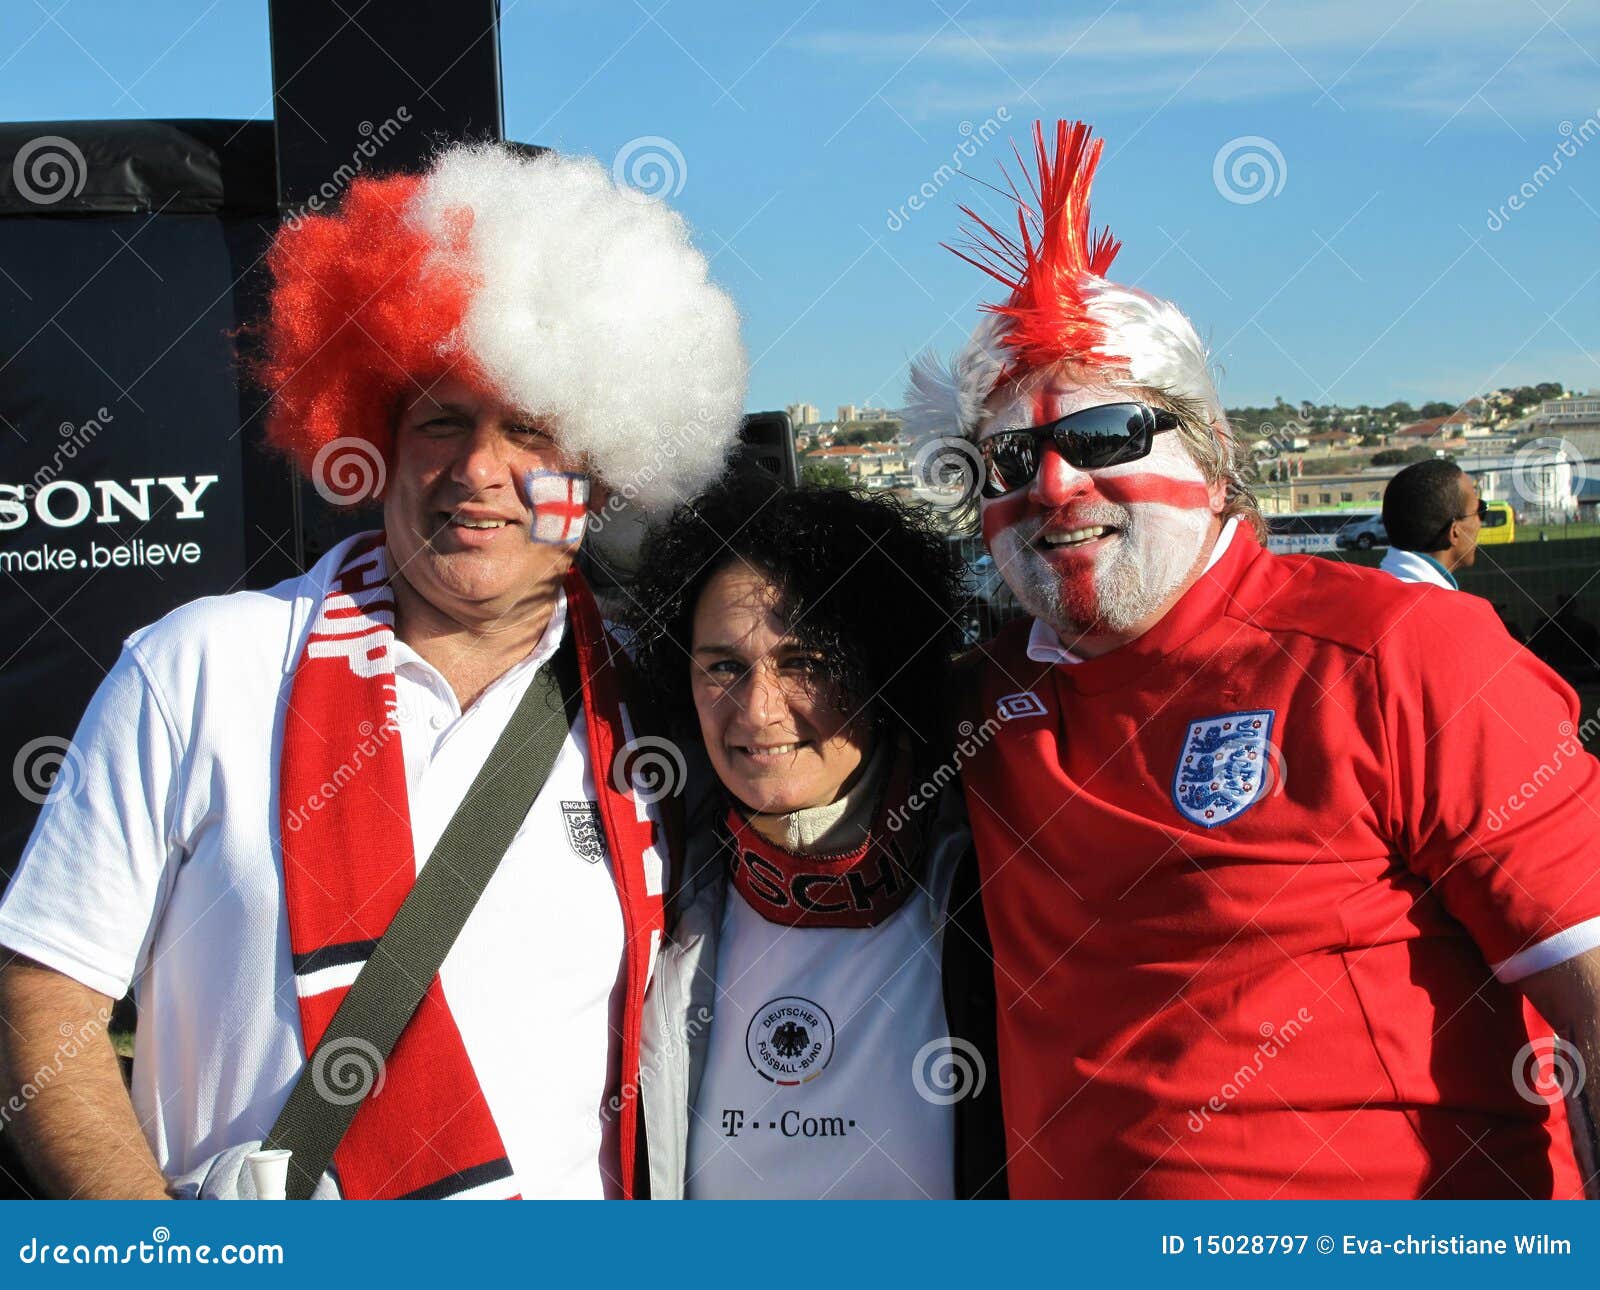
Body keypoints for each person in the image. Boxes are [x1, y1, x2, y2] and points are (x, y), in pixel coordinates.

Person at [0, 142, 747, 1199]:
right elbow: (42, 990)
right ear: (373, 440)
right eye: (441, 419)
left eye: (529, 429)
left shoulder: (659, 706)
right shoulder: (202, 665)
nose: (479, 470)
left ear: (598, 469)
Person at [906, 118, 1600, 1199]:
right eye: (1010, 457)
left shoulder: (1400, 656)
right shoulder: (983, 703)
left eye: (1103, 439)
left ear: (1213, 455)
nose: (1052, 487)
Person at [630, 482, 1004, 1199]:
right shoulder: (651, 899)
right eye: (723, 666)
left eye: (806, 663)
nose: (759, 708)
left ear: (884, 672)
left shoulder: (996, 890)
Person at [1378, 458, 1484, 587]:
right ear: (1454, 531)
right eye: (1479, 510)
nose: (1480, 522)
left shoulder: (1352, 597)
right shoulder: (1464, 607)